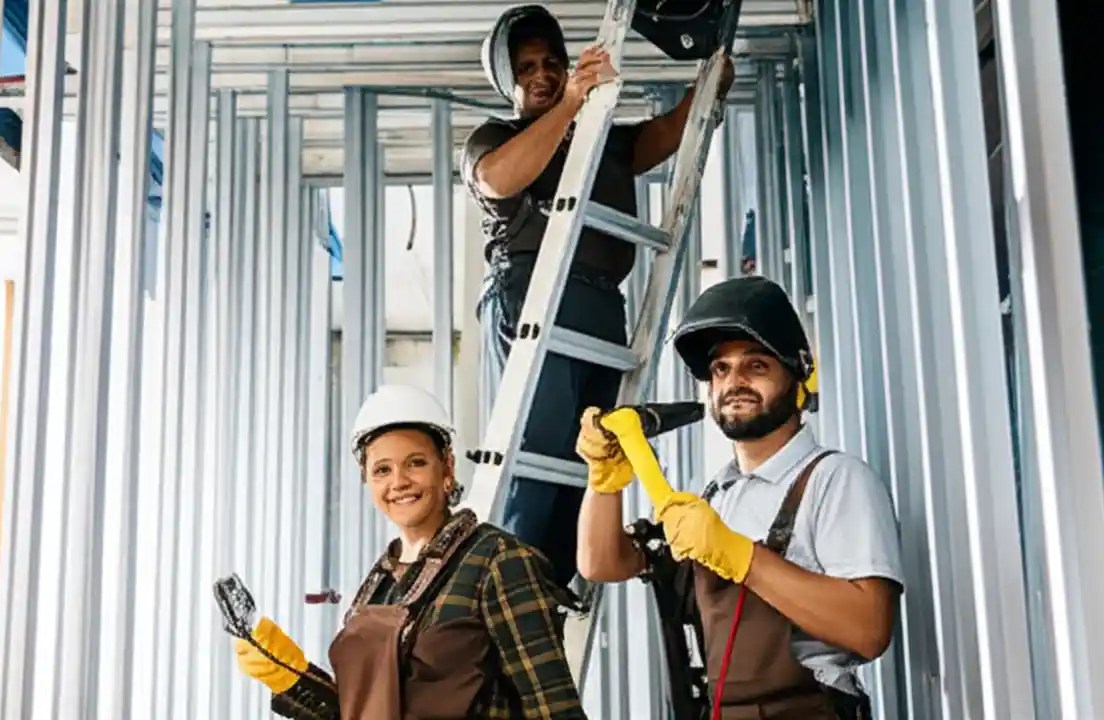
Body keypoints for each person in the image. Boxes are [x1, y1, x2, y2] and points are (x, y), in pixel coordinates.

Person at [463, 3, 735, 587]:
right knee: (538, 451)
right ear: (506, 81)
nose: (542, 74)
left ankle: (554, 584)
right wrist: (570, 103)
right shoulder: (498, 136)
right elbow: (496, 179)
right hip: (535, 297)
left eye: (552, 63)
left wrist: (710, 84)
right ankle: (513, 586)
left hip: (600, 305)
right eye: (526, 67)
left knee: (589, 451)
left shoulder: (600, 141)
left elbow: (669, 132)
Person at [575, 276, 903, 719]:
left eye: (757, 366)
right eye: (720, 370)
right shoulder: (716, 494)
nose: (735, 382)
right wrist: (604, 482)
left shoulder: (835, 481)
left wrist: (741, 556)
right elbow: (603, 564)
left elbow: (869, 629)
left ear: (799, 375)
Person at [231, 383, 588, 719]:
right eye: (382, 470)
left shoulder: (498, 561)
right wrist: (292, 678)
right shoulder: (380, 582)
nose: (399, 482)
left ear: (447, 467)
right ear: (367, 480)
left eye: (416, 463)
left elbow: (555, 708)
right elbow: (364, 709)